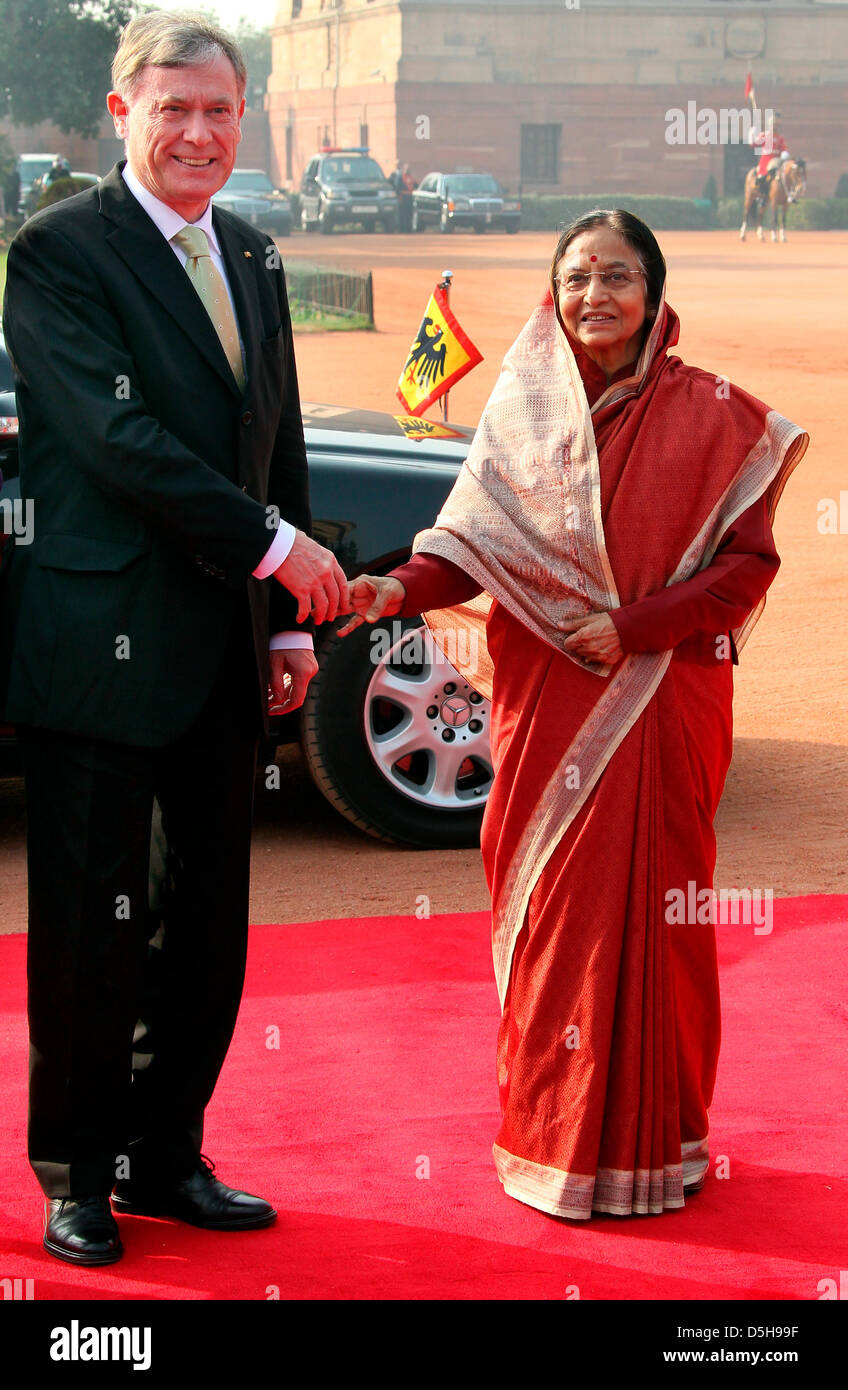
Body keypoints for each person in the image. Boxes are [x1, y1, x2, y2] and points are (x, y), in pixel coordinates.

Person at [341, 210, 808, 1218]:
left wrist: (637, 624)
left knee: (657, 924)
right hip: (545, 702)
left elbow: (746, 567)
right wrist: (393, 589)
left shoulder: (717, 416)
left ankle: (656, 1143)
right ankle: (555, 1143)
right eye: (576, 276)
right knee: (557, 918)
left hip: (661, 698)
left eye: (617, 276)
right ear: (553, 292)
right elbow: (467, 547)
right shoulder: (520, 412)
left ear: (654, 292)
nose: (594, 295)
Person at [0, 11, 348, 1265]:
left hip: (220, 644)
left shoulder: (250, 254)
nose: (197, 132)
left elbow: (277, 435)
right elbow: (114, 439)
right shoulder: (57, 253)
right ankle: (77, 1172)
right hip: (98, 645)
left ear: (242, 119)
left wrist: (292, 621)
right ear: (119, 115)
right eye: (172, 110)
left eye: (218, 111)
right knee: (92, 927)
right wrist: (272, 546)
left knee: (203, 922)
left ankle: (165, 1155)